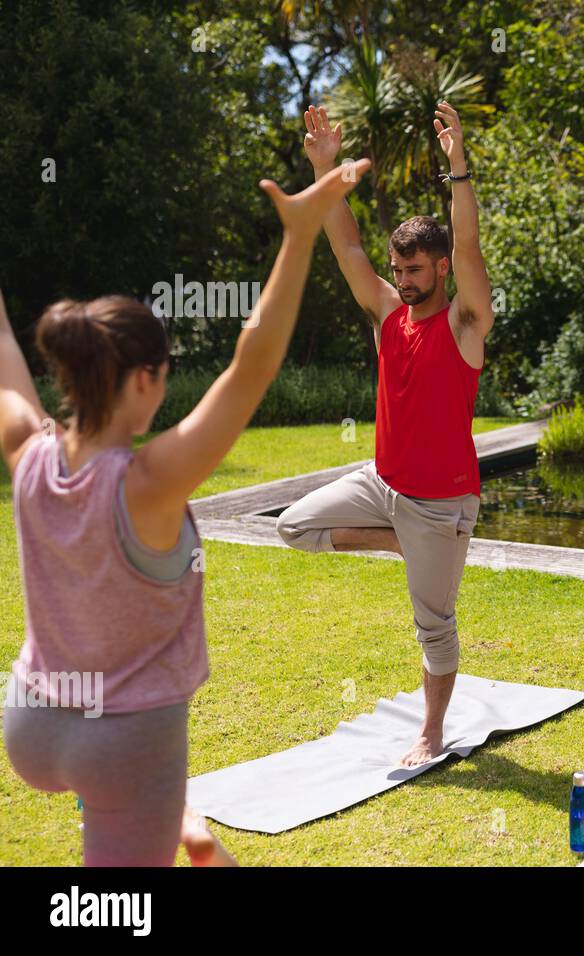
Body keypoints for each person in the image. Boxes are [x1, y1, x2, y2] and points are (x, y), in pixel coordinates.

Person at [0, 159, 370, 865]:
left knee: (163, 835)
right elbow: (252, 366)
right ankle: (163, 819)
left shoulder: (25, 450)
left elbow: (0, 347)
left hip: (33, 726)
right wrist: (297, 237)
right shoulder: (148, 482)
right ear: (145, 379)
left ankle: (183, 824)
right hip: (124, 745)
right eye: (165, 377)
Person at [275, 103, 495, 768]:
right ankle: (407, 544)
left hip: (441, 501)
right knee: (293, 526)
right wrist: (324, 169)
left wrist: (458, 166)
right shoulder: (386, 314)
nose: (403, 280)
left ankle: (430, 732)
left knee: (435, 628)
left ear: (439, 269)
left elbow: (469, 248)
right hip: (384, 486)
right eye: (398, 270)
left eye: (416, 270)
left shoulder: (464, 323)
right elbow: (346, 245)